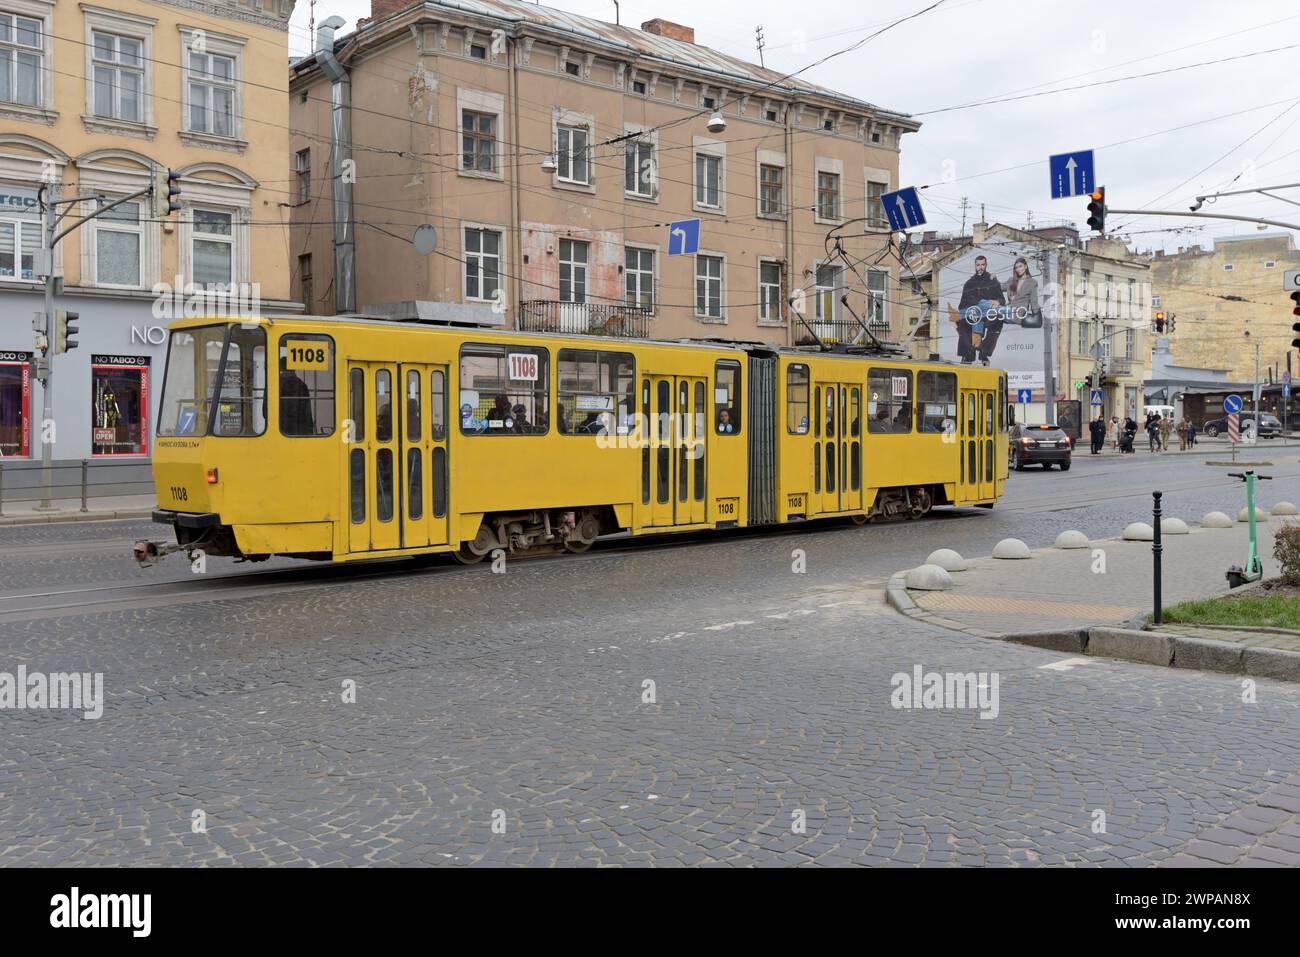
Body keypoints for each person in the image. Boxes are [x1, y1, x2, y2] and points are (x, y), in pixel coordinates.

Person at [955, 255, 1005, 365]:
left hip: (989, 313)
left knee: (998, 321)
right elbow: (962, 304)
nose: (980, 267)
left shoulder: (993, 281)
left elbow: (1002, 299)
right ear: (975, 266)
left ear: (986, 265)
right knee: (964, 323)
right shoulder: (969, 283)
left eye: (982, 265)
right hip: (972, 312)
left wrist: (998, 302)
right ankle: (968, 355)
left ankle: (984, 352)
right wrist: (980, 304)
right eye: (978, 265)